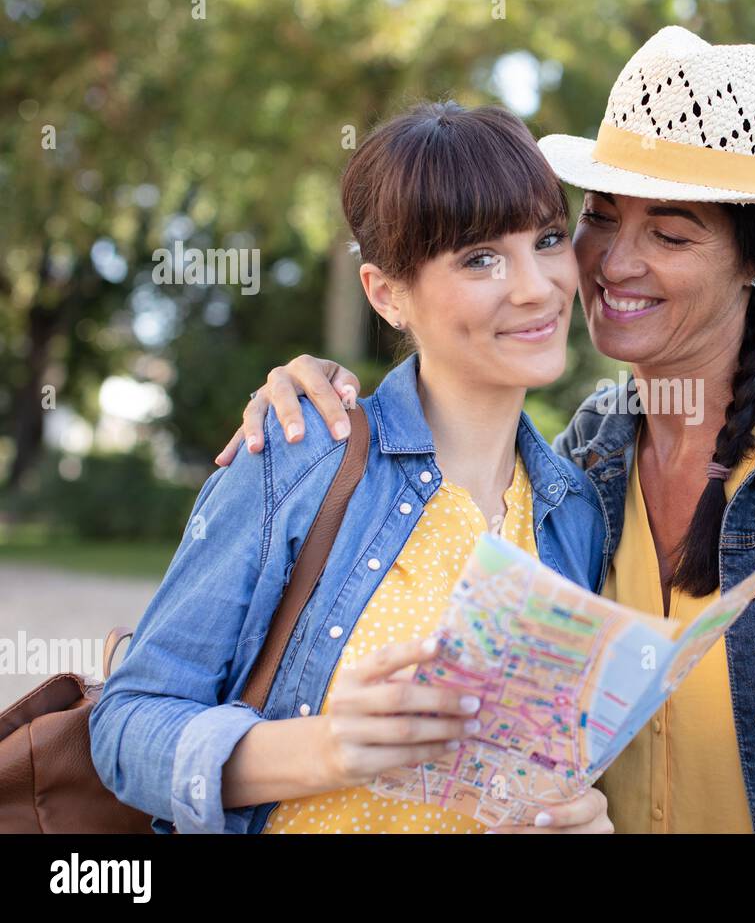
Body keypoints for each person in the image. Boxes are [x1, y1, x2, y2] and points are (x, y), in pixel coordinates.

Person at [218, 27, 755, 833]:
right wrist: (331, 394)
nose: (616, 262)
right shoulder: (581, 459)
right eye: (600, 218)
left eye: (671, 236)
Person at [91, 102, 613, 834]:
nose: (536, 286)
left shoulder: (576, 514)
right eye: (480, 258)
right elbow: (125, 728)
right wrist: (330, 746)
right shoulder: (302, 454)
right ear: (386, 294)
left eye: (550, 239)